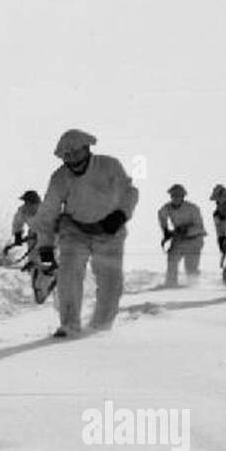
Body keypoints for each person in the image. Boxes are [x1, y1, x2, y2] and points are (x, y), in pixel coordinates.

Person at [34, 128, 139, 339]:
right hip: (75, 231)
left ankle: (101, 327)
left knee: (110, 281)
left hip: (109, 231)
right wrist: (45, 246)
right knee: (68, 277)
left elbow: (130, 192)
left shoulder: (109, 165)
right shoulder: (59, 178)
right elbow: (48, 212)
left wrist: (120, 214)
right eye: (66, 155)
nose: (72, 159)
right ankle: (69, 326)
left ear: (87, 149)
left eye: (75, 153)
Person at [157, 184, 207, 287]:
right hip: (179, 239)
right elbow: (161, 216)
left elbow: (200, 227)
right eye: (173, 195)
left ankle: (194, 287)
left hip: (195, 239)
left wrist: (186, 230)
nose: (175, 198)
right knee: (172, 258)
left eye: (178, 196)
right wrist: (165, 230)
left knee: (190, 266)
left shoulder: (193, 208)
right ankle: (170, 284)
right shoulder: (167, 208)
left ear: (183, 197)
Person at [6, 189, 43, 265]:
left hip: (50, 237)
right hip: (33, 234)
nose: (26, 204)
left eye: (27, 202)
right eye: (25, 202)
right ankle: (34, 270)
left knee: (46, 259)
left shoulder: (46, 209)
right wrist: (18, 235)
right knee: (33, 260)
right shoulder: (23, 210)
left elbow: (56, 224)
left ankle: (49, 271)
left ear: (34, 202)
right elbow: (17, 222)